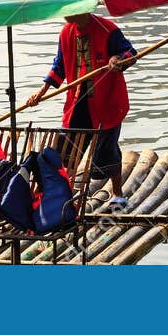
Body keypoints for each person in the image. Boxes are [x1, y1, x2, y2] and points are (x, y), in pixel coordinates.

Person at [29, 12, 136, 208]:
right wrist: (42, 91)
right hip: (77, 99)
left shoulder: (107, 29)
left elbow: (130, 53)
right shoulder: (66, 33)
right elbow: (59, 65)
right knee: (66, 149)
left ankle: (117, 193)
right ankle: (65, 197)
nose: (65, 13)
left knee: (106, 150)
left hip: (107, 100)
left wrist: (117, 59)